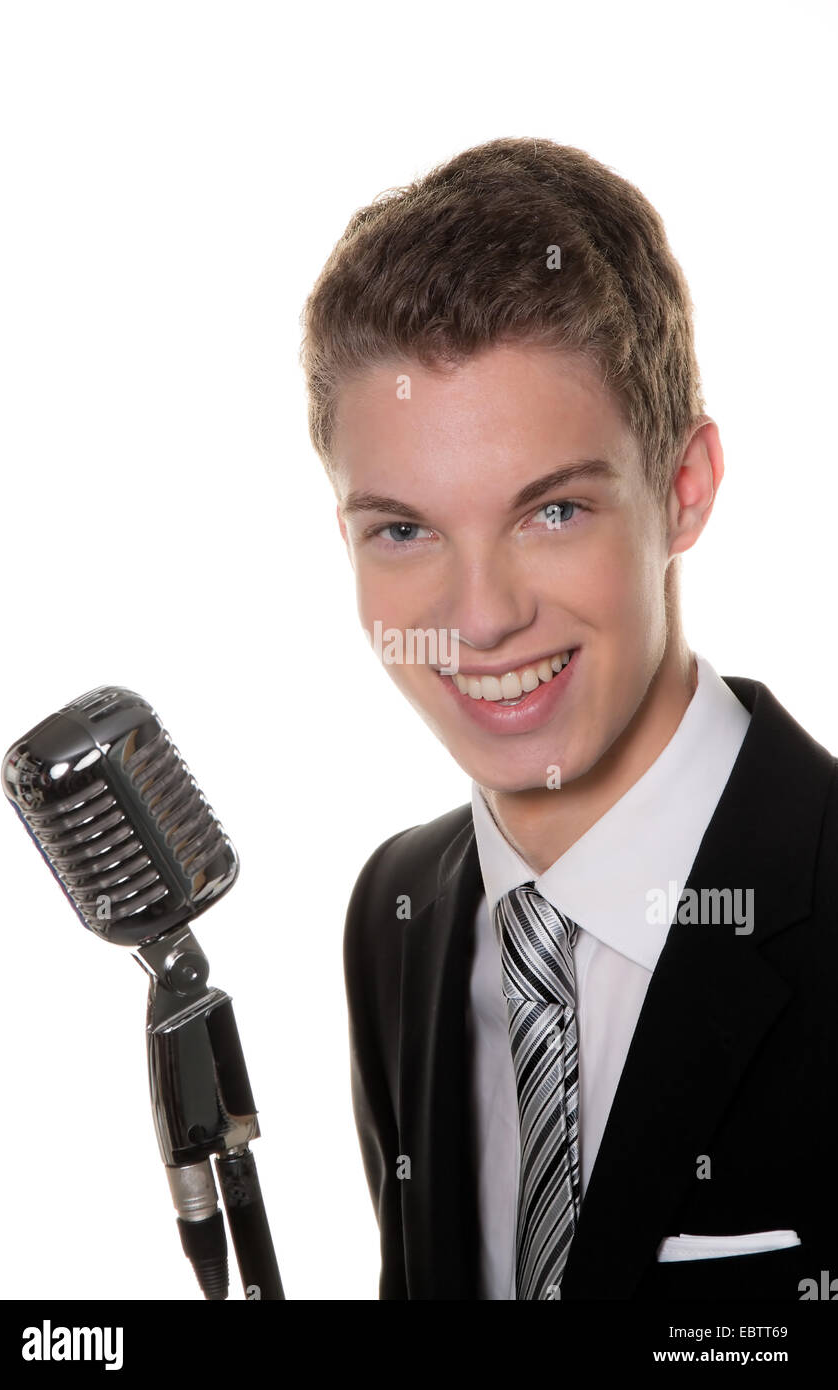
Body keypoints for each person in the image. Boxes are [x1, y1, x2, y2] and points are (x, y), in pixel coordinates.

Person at [299, 137, 838, 1300]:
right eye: (403, 529)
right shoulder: (397, 918)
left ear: (683, 487)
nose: (479, 618)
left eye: (550, 511)